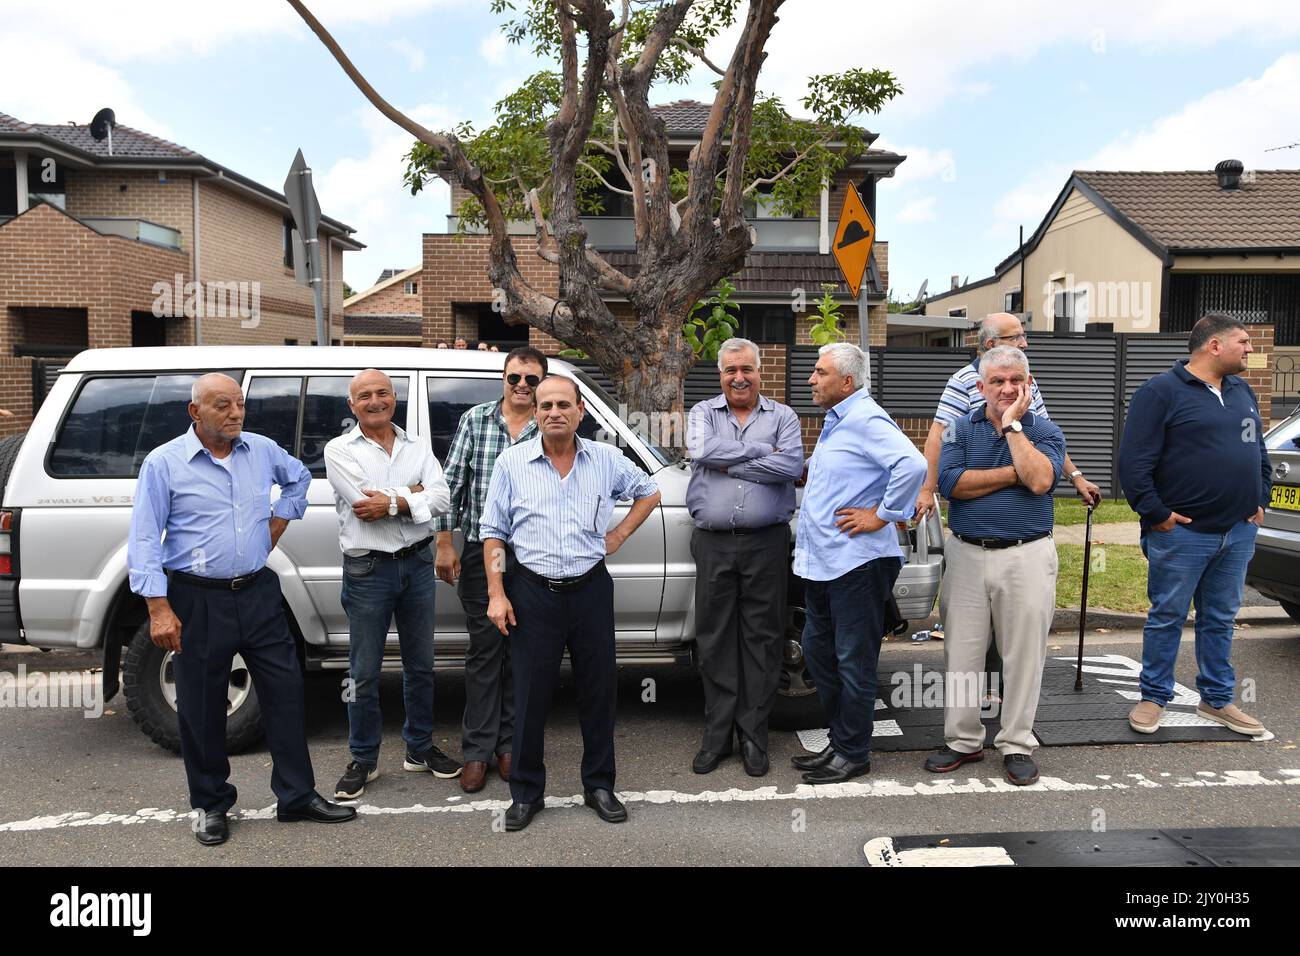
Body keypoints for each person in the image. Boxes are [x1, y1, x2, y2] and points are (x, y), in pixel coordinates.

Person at [128, 373, 356, 846]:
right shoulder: (164, 463)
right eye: (221, 405)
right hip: (196, 598)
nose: (235, 413)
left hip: (258, 593)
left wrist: (277, 522)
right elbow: (145, 539)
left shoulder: (261, 450)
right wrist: (158, 607)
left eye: (238, 404)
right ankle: (210, 804)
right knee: (202, 707)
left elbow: (297, 479)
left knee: (287, 693)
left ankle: (296, 796)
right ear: (195, 413)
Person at [480, 374, 660, 830]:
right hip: (532, 594)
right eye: (545, 406)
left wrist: (617, 534)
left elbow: (649, 492)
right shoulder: (512, 463)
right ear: (535, 413)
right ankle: (526, 792)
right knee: (530, 697)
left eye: (563, 404)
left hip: (590, 591)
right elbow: (493, 533)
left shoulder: (605, 459)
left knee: (598, 692)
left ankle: (599, 785)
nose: (554, 412)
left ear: (581, 410)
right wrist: (498, 593)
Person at [1119, 313, 1271, 737]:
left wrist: (1262, 497)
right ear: (1215, 346)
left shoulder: (1243, 391)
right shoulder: (1160, 392)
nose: (1250, 348)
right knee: (1167, 615)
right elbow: (1133, 464)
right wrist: (1157, 515)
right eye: (1243, 341)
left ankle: (1217, 699)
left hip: (1238, 532)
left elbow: (1257, 449)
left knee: (1221, 617)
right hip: (1182, 533)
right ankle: (1154, 697)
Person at [925, 346, 1065, 785]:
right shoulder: (959, 431)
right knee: (962, 652)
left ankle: (1017, 743)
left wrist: (1011, 429)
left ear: (1028, 384)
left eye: (1016, 380)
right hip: (966, 554)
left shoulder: (1046, 430)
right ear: (981, 386)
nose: (1007, 388)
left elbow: (1041, 480)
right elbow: (951, 484)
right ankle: (964, 741)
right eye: (997, 381)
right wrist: (1013, 474)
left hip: (1027, 554)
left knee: (1023, 654)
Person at [792, 343, 926, 784]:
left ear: (846, 382)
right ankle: (842, 740)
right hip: (824, 563)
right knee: (818, 651)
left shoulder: (865, 418)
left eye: (819, 372)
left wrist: (882, 515)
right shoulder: (838, 421)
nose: (811, 379)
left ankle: (853, 752)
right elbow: (843, 469)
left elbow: (912, 463)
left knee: (853, 660)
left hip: (857, 564)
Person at [324, 369, 455, 800]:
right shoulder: (338, 449)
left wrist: (396, 500)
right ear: (352, 405)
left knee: (421, 665)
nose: (375, 401)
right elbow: (365, 504)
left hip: (417, 565)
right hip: (368, 572)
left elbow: (441, 498)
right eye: (365, 396)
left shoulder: (419, 445)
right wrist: (413, 492)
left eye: (382, 393)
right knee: (364, 670)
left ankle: (418, 749)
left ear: (394, 398)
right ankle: (363, 758)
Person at [686, 337, 803, 777]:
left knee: (763, 638)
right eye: (731, 370)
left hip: (766, 542)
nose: (739, 378)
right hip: (713, 542)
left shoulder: (784, 416)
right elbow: (701, 452)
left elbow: (791, 467)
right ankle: (716, 736)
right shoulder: (701, 414)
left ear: (760, 372)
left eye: (747, 370)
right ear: (721, 374)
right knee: (714, 639)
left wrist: (728, 463)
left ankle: (754, 736)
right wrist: (759, 453)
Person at [435, 346, 547, 793]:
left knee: (523, 652)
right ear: (503, 378)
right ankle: (477, 750)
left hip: (536, 555)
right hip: (489, 552)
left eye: (531, 380)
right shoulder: (476, 420)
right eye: (515, 377)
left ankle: (510, 745)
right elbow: (452, 484)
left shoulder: (552, 420)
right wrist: (445, 542)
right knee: (485, 650)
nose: (522, 386)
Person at [915, 312, 1099, 519]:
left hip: (1028, 512)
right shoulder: (963, 381)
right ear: (992, 343)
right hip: (979, 511)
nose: (1024, 344)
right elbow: (938, 436)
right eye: (1015, 337)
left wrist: (1076, 477)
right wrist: (927, 489)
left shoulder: (1028, 382)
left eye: (1024, 336)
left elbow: (1050, 438)